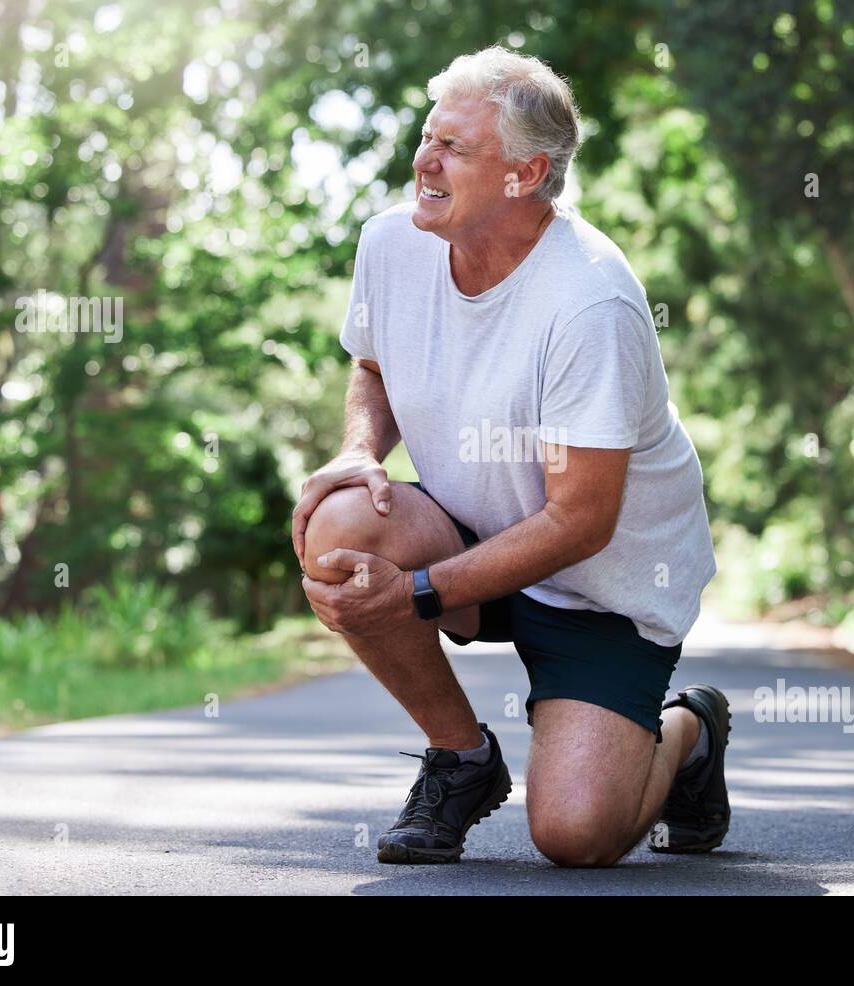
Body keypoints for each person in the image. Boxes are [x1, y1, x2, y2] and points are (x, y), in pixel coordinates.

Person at [292, 45, 729, 867]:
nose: (424, 158)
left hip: (601, 586)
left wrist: (418, 594)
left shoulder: (591, 300)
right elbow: (374, 363)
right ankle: (461, 759)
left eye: (453, 147)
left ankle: (687, 731)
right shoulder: (391, 244)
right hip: (473, 529)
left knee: (578, 837)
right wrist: (358, 450)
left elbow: (582, 521)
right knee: (342, 524)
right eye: (428, 137)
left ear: (526, 175)